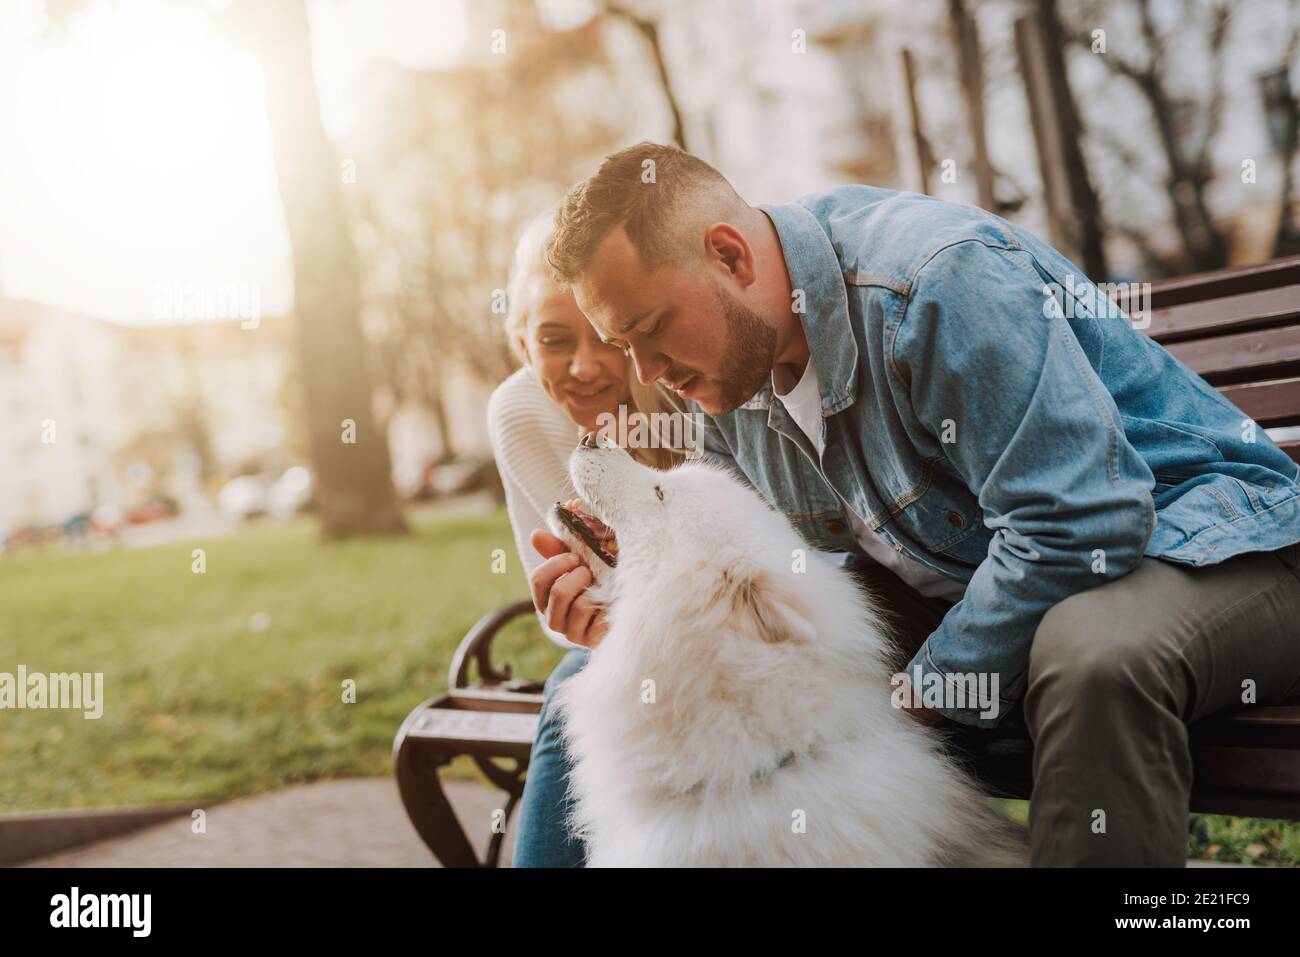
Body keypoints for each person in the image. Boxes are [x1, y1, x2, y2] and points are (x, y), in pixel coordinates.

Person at [530, 141, 1300, 866]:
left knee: (1093, 652)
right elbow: (766, 580)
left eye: (648, 329)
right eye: (621, 344)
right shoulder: (723, 376)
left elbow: (1082, 524)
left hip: (1218, 546)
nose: (647, 369)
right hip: (987, 596)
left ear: (729, 255)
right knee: (578, 677)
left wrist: (925, 689)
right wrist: (630, 606)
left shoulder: (935, 279)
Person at [487, 214, 685, 867]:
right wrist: (587, 616)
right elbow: (586, 604)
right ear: (521, 343)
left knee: (578, 681)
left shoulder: (683, 387)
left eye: (605, 337)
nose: (584, 366)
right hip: (633, 656)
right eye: (552, 338)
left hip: (728, 634)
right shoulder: (521, 411)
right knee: (581, 674)